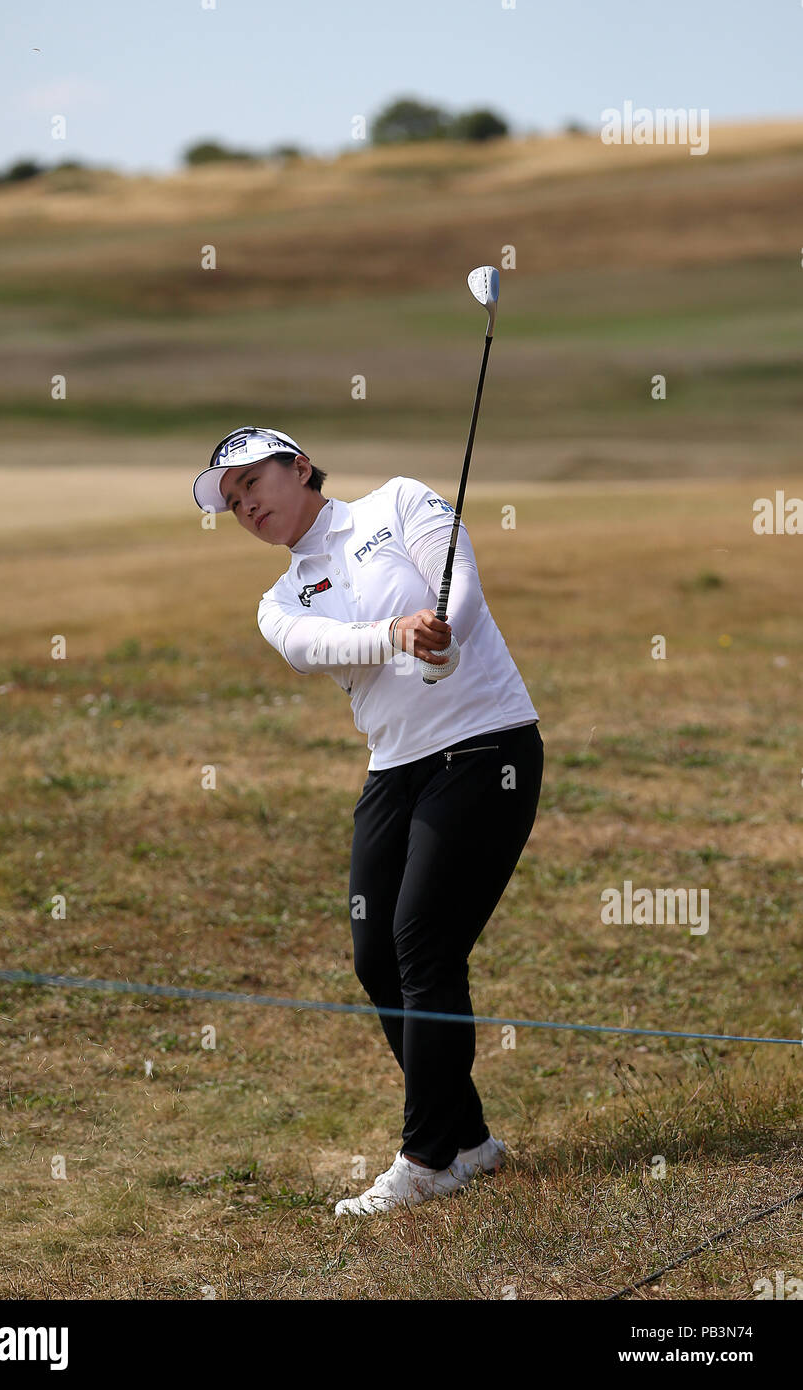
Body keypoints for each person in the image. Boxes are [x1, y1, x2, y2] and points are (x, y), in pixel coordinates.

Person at [193, 425, 543, 1217]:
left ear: (302, 467)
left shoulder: (399, 501)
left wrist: (441, 630)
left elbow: (461, 588)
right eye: (230, 498)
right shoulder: (278, 600)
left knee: (423, 939)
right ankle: (472, 1143)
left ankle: (424, 1160)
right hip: (395, 767)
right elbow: (313, 645)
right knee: (374, 954)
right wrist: (398, 634)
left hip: (486, 746)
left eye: (253, 481)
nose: (243, 503)